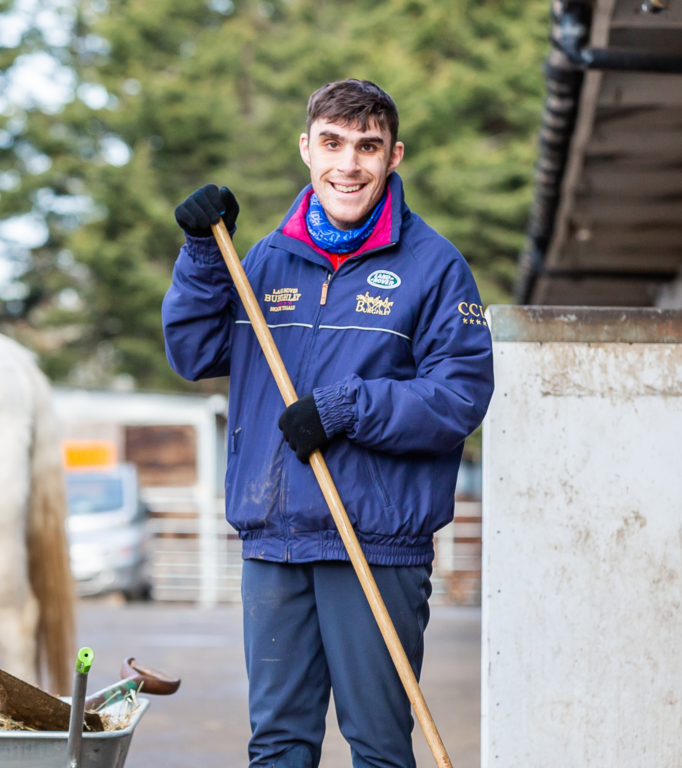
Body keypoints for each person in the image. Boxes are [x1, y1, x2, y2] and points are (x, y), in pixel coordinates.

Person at [163, 79, 494, 768]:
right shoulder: (262, 258)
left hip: (373, 542)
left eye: (368, 147)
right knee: (278, 746)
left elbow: (459, 395)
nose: (350, 164)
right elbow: (195, 352)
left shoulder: (434, 268)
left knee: (376, 745)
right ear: (307, 149)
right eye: (334, 144)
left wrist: (348, 408)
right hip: (274, 542)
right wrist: (200, 253)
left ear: (393, 156)